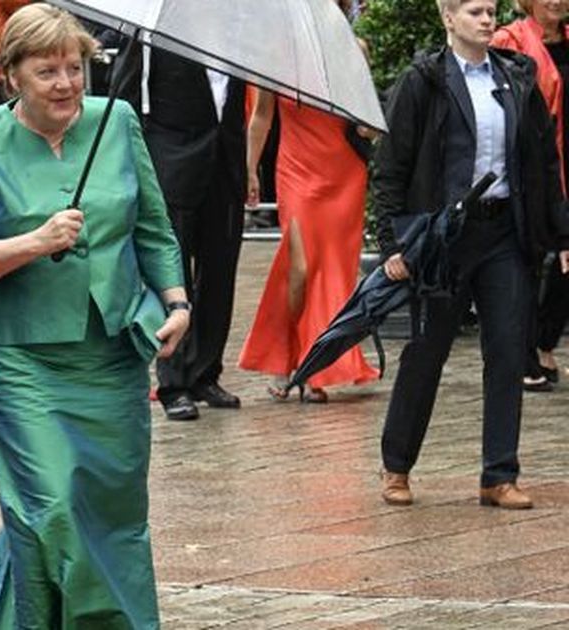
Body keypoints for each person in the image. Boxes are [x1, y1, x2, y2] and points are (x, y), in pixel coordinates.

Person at [0, 4, 188, 626]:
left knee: (109, 511)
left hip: (110, 353)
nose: (66, 84)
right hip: (19, 355)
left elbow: (154, 228)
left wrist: (177, 300)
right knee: (48, 505)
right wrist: (34, 242)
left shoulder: (117, 122)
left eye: (74, 68)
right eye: (47, 71)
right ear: (12, 77)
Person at [373, 0, 569, 510]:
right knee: (427, 350)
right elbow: (391, 168)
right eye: (475, 11)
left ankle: (498, 474)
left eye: (490, 11)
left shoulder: (515, 78)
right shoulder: (424, 80)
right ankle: (396, 465)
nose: (486, 20)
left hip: (503, 230)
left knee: (507, 349)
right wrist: (394, 244)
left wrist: (561, 234)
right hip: (444, 237)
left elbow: (543, 164)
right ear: (448, 18)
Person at [239, 0, 379, 402]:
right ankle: (288, 356)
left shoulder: (356, 48)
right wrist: (250, 170)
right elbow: (262, 116)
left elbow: (367, 123)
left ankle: (315, 364)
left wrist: (370, 126)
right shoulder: (274, 56)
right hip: (297, 171)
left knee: (333, 271)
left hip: (344, 174)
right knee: (298, 268)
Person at [118, 47, 247, 420]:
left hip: (225, 165)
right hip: (171, 166)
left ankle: (206, 372)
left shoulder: (239, 33)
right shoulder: (156, 28)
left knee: (220, 274)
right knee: (172, 275)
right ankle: (173, 382)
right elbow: (126, 99)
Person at [492, 0, 569, 390]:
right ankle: (525, 356)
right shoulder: (511, 38)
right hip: (536, 164)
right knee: (530, 258)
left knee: (561, 265)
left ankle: (543, 342)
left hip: (562, 159)